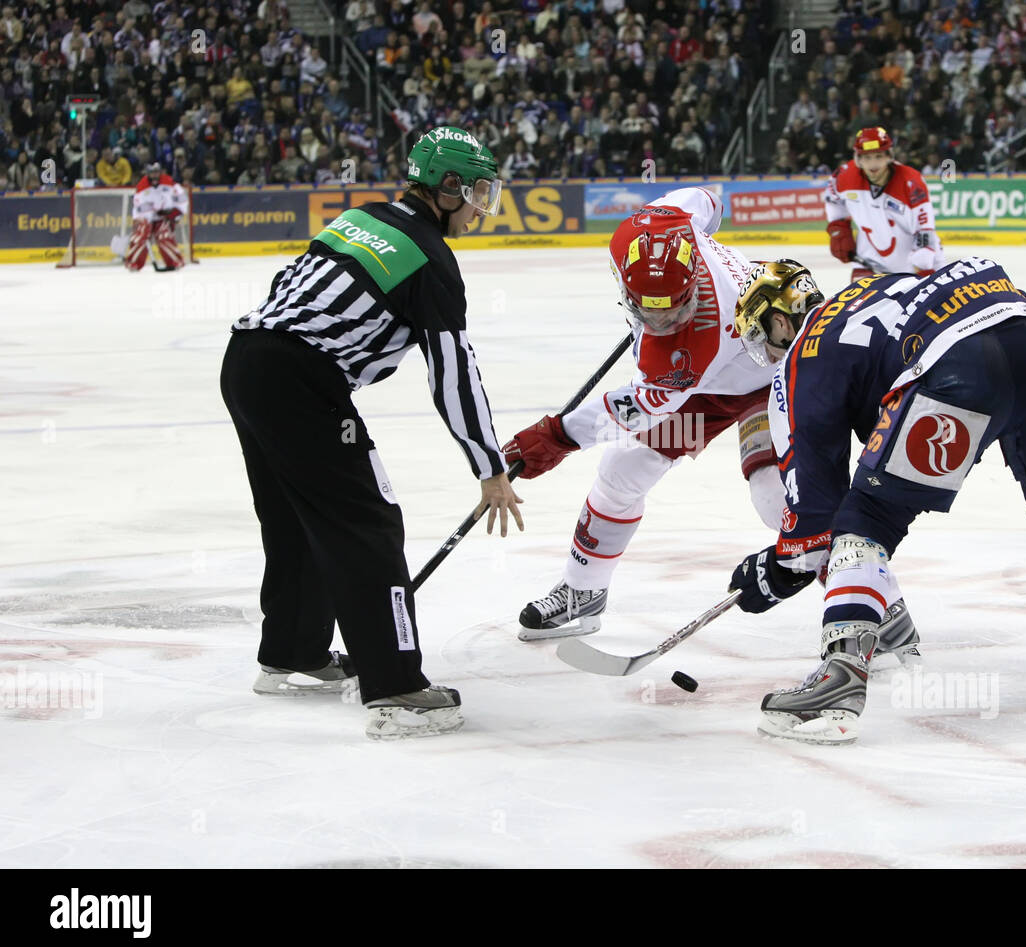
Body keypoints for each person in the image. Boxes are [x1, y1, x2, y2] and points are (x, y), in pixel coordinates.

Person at [727, 255, 1026, 745]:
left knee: (865, 518)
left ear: (778, 321)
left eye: (762, 339)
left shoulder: (803, 355)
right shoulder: (875, 288)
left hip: (963, 367)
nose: (769, 355)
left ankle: (839, 681)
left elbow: (816, 509)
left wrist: (775, 572)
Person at [220, 127, 523, 741]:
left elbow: (288, 285)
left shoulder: (359, 219)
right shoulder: (432, 259)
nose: (481, 209)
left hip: (246, 360)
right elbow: (454, 373)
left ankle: (293, 653)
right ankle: (395, 687)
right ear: (447, 187)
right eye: (478, 193)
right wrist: (489, 466)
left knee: (297, 517)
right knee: (368, 523)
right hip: (301, 383)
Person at [504, 187, 787, 639]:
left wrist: (555, 436)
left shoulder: (692, 346)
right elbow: (707, 200)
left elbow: (630, 412)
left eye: (676, 311)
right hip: (707, 390)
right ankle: (584, 590)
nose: (662, 327)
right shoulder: (648, 228)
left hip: (768, 375)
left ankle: (869, 601)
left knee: (777, 499)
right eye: (647, 313)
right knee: (622, 472)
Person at [825, 126, 943, 283]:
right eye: (867, 158)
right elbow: (832, 198)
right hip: (869, 261)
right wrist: (838, 228)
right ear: (858, 159)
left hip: (914, 267)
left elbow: (924, 227)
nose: (873, 164)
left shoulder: (911, 182)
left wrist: (924, 262)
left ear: (889, 156)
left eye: (878, 156)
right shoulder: (845, 176)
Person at [124, 163, 188, 271]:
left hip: (163, 217)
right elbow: (139, 208)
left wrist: (175, 214)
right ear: (148, 174)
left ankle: (175, 261)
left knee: (164, 235)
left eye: (156, 172)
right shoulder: (142, 187)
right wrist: (147, 223)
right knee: (141, 235)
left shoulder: (169, 182)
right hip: (145, 217)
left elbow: (182, 199)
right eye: (152, 173)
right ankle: (133, 263)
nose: (155, 175)